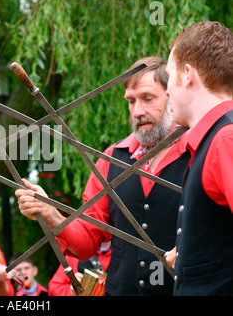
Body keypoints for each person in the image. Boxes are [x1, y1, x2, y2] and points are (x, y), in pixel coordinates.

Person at [15, 56, 191, 295]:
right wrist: (50, 213)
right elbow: (87, 240)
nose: (138, 111)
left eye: (148, 99)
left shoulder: (197, 150)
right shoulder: (111, 158)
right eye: (131, 101)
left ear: (172, 96)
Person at [163, 21, 233, 295]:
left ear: (187, 74)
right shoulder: (214, 139)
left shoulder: (225, 139)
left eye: (169, 75)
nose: (167, 89)